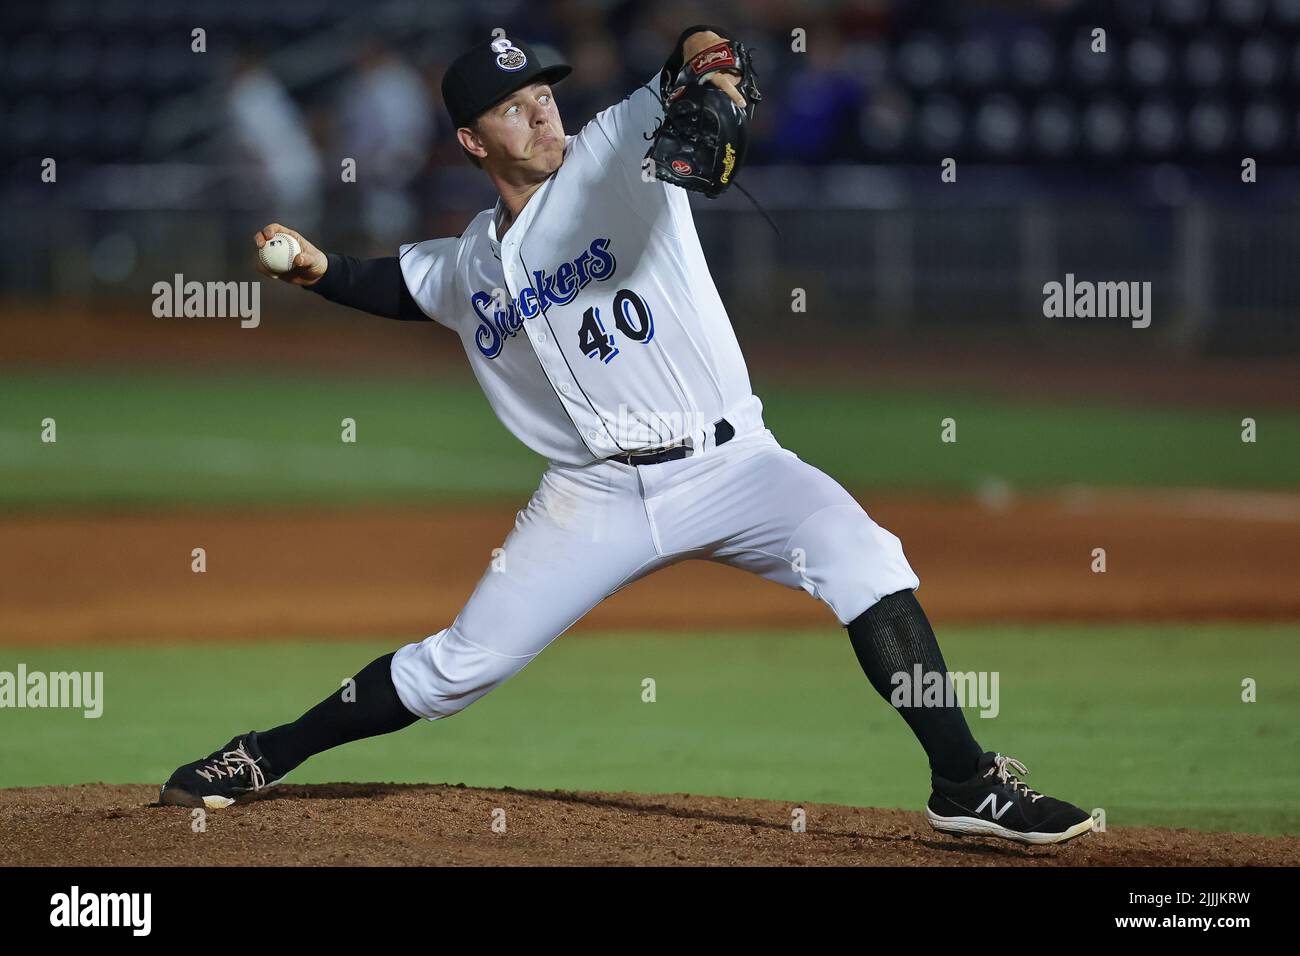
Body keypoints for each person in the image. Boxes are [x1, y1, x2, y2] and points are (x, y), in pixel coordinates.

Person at [161, 27, 1094, 847]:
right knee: (454, 671)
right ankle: (264, 754)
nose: (541, 113)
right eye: (513, 107)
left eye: (543, 93)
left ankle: (963, 782)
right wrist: (317, 268)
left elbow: (696, 45)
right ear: (471, 140)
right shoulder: (470, 261)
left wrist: (715, 69)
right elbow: (396, 284)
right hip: (592, 494)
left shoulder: (614, 148)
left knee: (865, 559)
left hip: (735, 463)